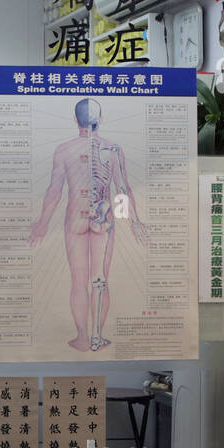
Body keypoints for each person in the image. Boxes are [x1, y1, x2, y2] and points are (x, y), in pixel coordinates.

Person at [28, 98, 148, 351]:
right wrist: (134, 221)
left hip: (75, 218)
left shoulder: (64, 150)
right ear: (100, 119)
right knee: (100, 279)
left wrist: (42, 223)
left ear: (75, 119)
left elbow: (54, 191)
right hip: (104, 218)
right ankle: (97, 337)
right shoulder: (113, 149)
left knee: (78, 282)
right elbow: (122, 189)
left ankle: (82, 337)